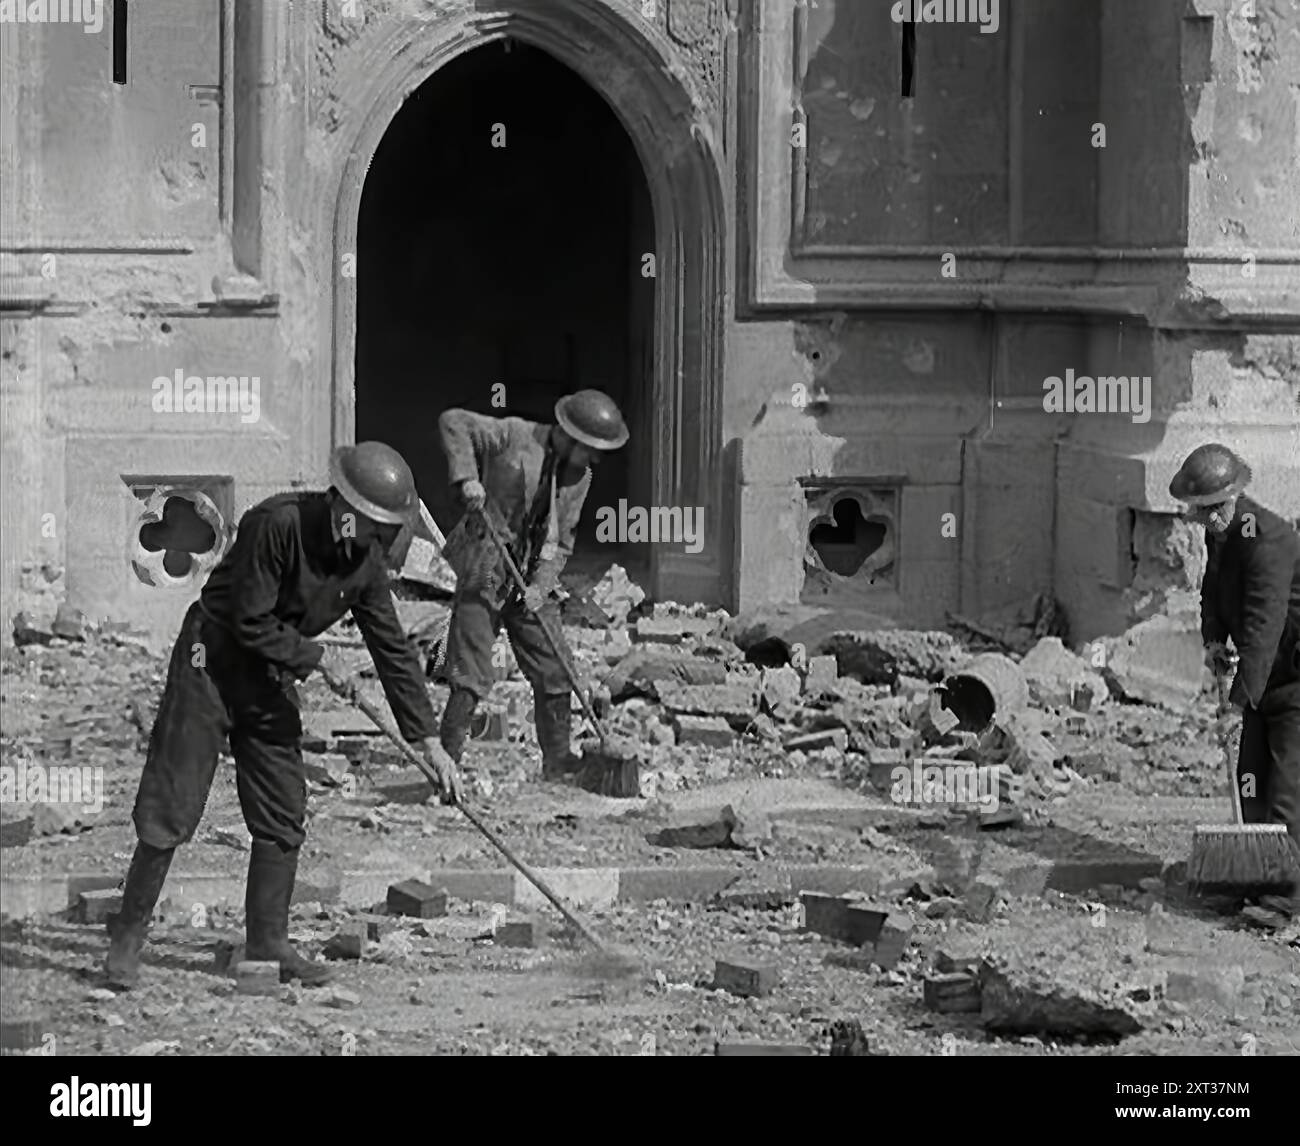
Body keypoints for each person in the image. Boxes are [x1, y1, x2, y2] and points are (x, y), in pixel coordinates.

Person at [105, 442, 463, 991]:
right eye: (373, 526)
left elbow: (392, 649)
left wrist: (429, 740)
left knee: (282, 810)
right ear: (344, 506)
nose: (379, 541)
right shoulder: (275, 524)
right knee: (171, 806)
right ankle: (127, 941)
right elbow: (248, 619)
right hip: (212, 661)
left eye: (386, 530)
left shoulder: (363, 563)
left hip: (270, 677)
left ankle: (267, 943)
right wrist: (317, 658)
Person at [436, 390, 629, 780]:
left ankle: (558, 763)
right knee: (470, 670)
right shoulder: (513, 434)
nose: (594, 460)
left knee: (557, 666)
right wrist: (468, 479)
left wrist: (542, 585)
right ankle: (444, 765)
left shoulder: (581, 478)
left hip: (531, 576)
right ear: (569, 435)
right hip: (487, 566)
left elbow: (564, 541)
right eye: (590, 450)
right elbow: (452, 420)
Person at [1170, 443, 1300, 917]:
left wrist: (1237, 705)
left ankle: (1286, 897)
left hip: (1290, 676)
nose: (1201, 522)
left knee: (1289, 785)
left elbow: (1264, 633)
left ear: (1228, 501)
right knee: (1250, 778)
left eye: (1206, 512)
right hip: (1260, 675)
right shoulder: (1224, 533)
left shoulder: (1272, 540)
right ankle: (1254, 876)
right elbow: (1215, 588)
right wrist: (1212, 638)